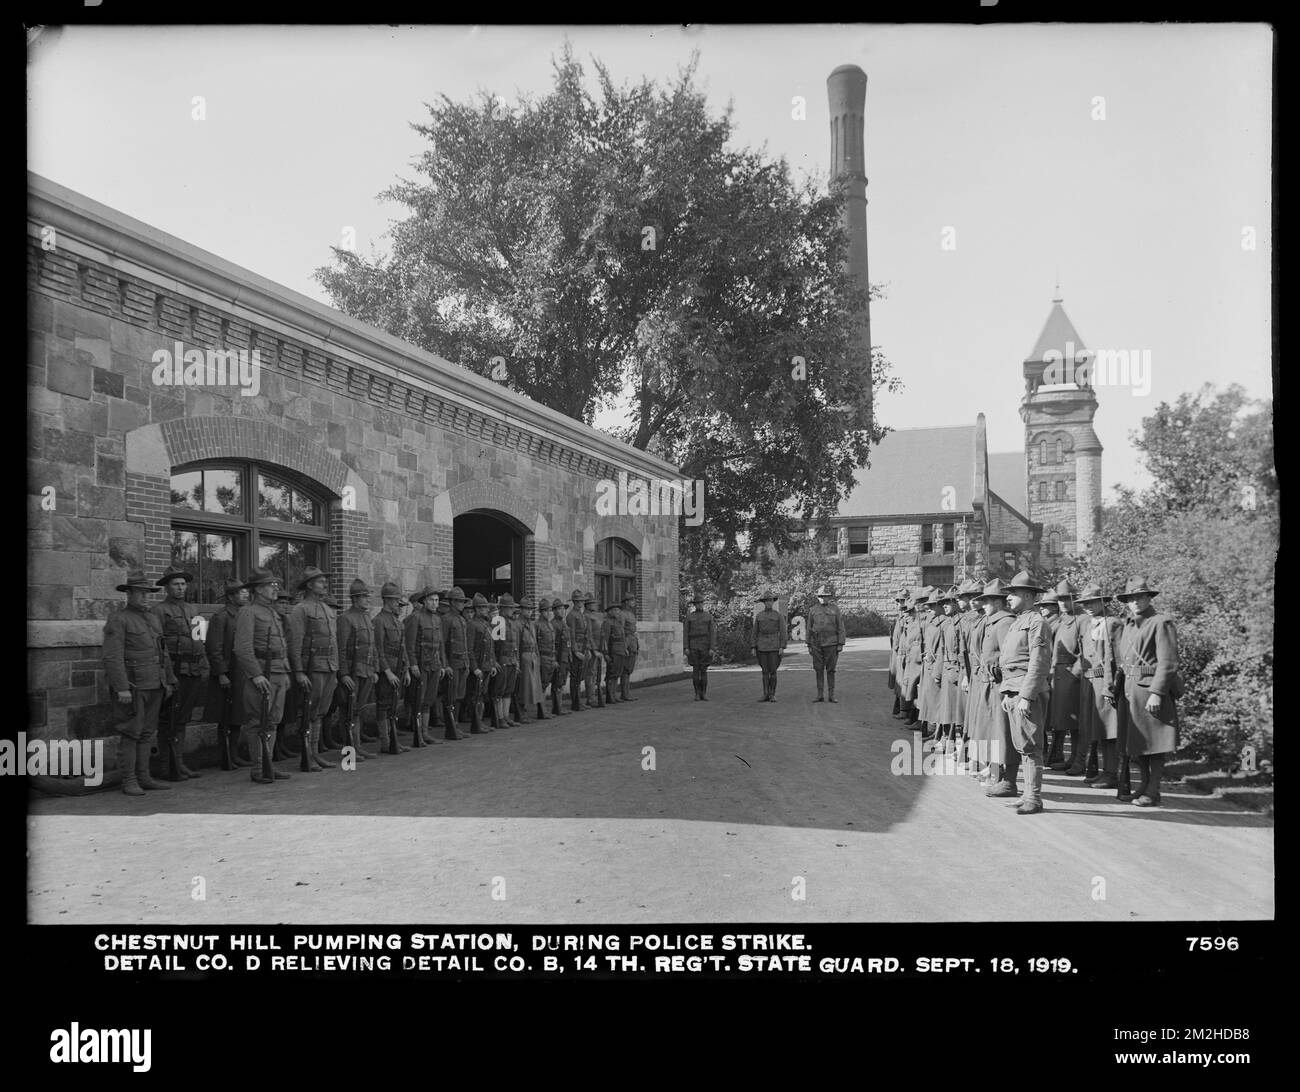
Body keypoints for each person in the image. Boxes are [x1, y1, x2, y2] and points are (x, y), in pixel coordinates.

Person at [102, 570, 176, 796]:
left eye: (147, 593)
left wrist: (169, 680)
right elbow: (112, 656)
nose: (145, 597)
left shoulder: (152, 618)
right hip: (133, 687)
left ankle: (144, 777)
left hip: (155, 684)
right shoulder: (119, 619)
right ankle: (129, 779)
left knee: (146, 733)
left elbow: (162, 653)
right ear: (129, 594)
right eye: (139, 593)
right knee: (131, 732)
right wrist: (121, 687)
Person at [1115, 576, 1180, 807]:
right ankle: (1143, 787)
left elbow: (1168, 662)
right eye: (1131, 598)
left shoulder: (1161, 622)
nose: (1135, 602)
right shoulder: (1129, 624)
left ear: (1148, 598)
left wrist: (1157, 692)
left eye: (1140, 597)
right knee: (1138, 743)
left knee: (1156, 744)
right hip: (1130, 690)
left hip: (1150, 689)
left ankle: (1153, 790)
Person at [997, 571, 1052, 814]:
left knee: (1031, 747)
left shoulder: (1037, 622)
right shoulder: (1019, 621)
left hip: (1025, 691)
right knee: (1021, 746)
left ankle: (1034, 799)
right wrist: (1007, 693)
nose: (1008, 598)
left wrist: (1026, 696)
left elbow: (1038, 662)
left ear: (1028, 596)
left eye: (1014, 593)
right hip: (1012, 689)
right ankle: (1027, 794)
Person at [231, 568, 291, 785]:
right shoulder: (249, 612)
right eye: (270, 585)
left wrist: (286, 672)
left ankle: (268, 764)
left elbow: (281, 645)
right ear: (257, 589)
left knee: (273, 721)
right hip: (262, 674)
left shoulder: (272, 612)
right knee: (258, 721)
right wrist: (255, 675)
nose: (275, 588)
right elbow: (242, 648)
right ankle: (258, 768)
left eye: (275, 584)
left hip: (277, 673)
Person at [152, 568, 208, 781]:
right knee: (169, 720)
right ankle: (166, 767)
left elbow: (200, 640)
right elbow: (158, 646)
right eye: (176, 584)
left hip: (193, 670)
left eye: (183, 584)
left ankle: (179, 763)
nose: (180, 588)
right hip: (174, 670)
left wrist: (204, 666)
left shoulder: (194, 609)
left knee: (183, 719)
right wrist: (166, 676)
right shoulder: (159, 611)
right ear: (167, 587)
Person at [287, 566, 339, 771]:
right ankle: (307, 756)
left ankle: (315, 754)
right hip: (312, 667)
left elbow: (334, 641)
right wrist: (298, 672)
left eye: (325, 581)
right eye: (320, 581)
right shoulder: (301, 609)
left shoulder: (327, 609)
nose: (325, 584)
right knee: (309, 712)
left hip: (329, 667)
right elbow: (296, 643)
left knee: (320, 712)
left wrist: (337, 668)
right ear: (309, 585)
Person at [1076, 583, 1123, 791]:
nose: (1088, 606)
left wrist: (1109, 687)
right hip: (1089, 682)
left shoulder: (1112, 623)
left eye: (1093, 602)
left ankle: (1111, 773)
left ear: (1103, 602)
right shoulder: (1089, 624)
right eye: (1085, 603)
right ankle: (1098, 770)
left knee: (1108, 730)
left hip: (1105, 682)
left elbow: (1116, 659)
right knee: (1093, 729)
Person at [971, 580, 1016, 791]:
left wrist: (1002, 679)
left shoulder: (1004, 622)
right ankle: (993, 769)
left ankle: (1002, 776)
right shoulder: (991, 621)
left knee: (999, 732)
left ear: (998, 602)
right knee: (988, 730)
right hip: (988, 682)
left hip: (999, 683)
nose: (984, 605)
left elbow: (1008, 656)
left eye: (988, 601)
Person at [204, 578, 250, 770]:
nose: (246, 595)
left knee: (237, 716)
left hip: (241, 673)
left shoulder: (244, 615)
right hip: (228, 674)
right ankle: (226, 757)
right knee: (225, 717)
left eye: (246, 592)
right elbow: (214, 648)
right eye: (241, 592)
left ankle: (235, 754)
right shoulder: (221, 617)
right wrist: (222, 673)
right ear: (231, 597)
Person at [336, 578, 377, 760]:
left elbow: (372, 646)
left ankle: (357, 747)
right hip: (352, 672)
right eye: (364, 597)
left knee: (358, 710)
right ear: (355, 599)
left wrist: (374, 669)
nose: (368, 600)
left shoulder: (366, 617)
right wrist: (343, 674)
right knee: (349, 711)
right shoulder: (346, 618)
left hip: (366, 670)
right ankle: (349, 753)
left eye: (368, 597)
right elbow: (342, 648)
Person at [1048, 581, 1087, 775]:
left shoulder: (1082, 619)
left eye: (1066, 598)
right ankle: (1071, 758)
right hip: (1059, 675)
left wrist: (1076, 673)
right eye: (1060, 599)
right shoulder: (1062, 620)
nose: (1062, 603)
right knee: (1066, 721)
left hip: (1073, 677)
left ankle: (1079, 760)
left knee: (1077, 722)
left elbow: (1086, 651)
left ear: (1074, 599)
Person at [404, 586, 446, 745]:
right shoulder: (415, 618)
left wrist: (442, 664)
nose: (435, 603)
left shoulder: (437, 619)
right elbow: (409, 644)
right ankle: (418, 734)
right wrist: (413, 664)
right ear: (424, 601)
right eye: (431, 600)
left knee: (429, 699)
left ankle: (425, 732)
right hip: (421, 664)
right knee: (418, 700)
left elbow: (440, 644)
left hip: (434, 664)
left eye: (436, 600)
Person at [373, 581, 411, 753]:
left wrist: (407, 669)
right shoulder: (379, 621)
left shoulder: (399, 623)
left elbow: (403, 649)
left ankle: (393, 738)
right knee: (384, 705)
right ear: (387, 601)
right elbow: (378, 650)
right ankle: (385, 741)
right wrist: (387, 672)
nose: (398, 605)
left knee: (394, 706)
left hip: (399, 670)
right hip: (387, 670)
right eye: (396, 601)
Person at [807, 584, 847, 703]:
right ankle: (820, 695)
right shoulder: (812, 610)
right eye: (821, 596)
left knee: (831, 670)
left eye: (825, 596)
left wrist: (840, 643)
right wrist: (809, 644)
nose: (823, 598)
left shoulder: (835, 609)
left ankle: (831, 695)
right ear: (818, 597)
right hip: (816, 644)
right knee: (818, 669)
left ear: (829, 597)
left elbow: (841, 627)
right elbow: (809, 627)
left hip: (831, 644)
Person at [439, 588, 470, 739]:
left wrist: (467, 663)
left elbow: (464, 644)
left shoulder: (462, 620)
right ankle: (450, 728)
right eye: (458, 601)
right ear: (451, 602)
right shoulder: (446, 619)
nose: (461, 604)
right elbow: (442, 644)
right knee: (450, 696)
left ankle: (455, 725)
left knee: (459, 696)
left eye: (462, 601)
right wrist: (445, 665)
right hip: (452, 662)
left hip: (462, 662)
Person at [466, 592, 498, 733]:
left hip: (485, 665)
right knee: (476, 696)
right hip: (478, 666)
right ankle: (476, 724)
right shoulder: (472, 625)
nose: (486, 610)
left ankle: (480, 722)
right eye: (484, 608)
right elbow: (470, 648)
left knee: (482, 696)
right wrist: (474, 668)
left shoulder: (485, 624)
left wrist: (491, 664)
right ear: (478, 609)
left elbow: (490, 647)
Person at [750, 591, 787, 702]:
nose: (768, 603)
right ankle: (765, 694)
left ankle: (772, 694)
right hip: (762, 646)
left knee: (773, 671)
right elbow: (754, 632)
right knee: (764, 671)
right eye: (766, 601)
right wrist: (753, 646)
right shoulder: (759, 616)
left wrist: (782, 646)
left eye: (770, 601)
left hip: (774, 646)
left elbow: (783, 632)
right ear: (764, 603)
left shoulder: (778, 615)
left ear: (773, 602)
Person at [518, 596, 548, 721]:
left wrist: (538, 658)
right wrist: (518, 662)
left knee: (535, 686)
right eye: (526, 609)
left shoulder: (531, 624)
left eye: (530, 609)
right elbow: (517, 645)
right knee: (523, 687)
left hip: (533, 657)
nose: (529, 611)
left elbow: (535, 643)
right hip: (524, 656)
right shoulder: (518, 624)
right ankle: (521, 712)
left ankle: (537, 710)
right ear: (521, 610)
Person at [685, 593, 717, 700]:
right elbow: (686, 633)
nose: (699, 605)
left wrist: (712, 648)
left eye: (701, 603)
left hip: (705, 646)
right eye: (697, 604)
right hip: (693, 645)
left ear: (703, 604)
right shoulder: (690, 617)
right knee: (695, 670)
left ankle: (704, 693)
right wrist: (686, 647)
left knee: (703, 670)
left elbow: (712, 633)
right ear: (695, 605)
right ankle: (697, 693)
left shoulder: (708, 616)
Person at [566, 590, 591, 712]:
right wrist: (575, 651)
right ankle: (575, 703)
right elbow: (571, 634)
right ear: (575, 601)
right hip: (576, 649)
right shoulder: (571, 615)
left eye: (582, 601)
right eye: (579, 600)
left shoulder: (581, 615)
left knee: (580, 676)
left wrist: (586, 649)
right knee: (575, 676)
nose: (581, 602)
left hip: (583, 647)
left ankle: (579, 701)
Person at [600, 600, 627, 705]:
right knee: (612, 673)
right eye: (615, 610)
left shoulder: (618, 622)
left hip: (620, 650)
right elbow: (605, 639)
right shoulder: (607, 623)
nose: (617, 612)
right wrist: (605, 653)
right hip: (613, 651)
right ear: (609, 612)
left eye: (618, 610)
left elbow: (622, 637)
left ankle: (614, 694)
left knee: (617, 673)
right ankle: (610, 696)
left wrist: (624, 648)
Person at [888, 590, 909, 718]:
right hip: (896, 653)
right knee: (897, 682)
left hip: (903, 653)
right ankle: (899, 707)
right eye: (899, 601)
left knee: (904, 683)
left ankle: (904, 710)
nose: (901, 603)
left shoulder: (908, 615)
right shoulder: (900, 615)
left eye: (903, 600)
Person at [549, 597, 571, 716]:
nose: (562, 611)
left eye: (563, 609)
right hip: (558, 657)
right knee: (557, 682)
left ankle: (560, 706)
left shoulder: (564, 624)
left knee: (561, 682)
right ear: (554, 611)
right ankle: (557, 707)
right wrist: (555, 659)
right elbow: (553, 644)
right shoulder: (554, 624)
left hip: (565, 656)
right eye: (559, 609)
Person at [583, 593, 605, 708]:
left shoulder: (593, 615)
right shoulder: (586, 616)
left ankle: (593, 696)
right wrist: (593, 650)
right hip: (592, 648)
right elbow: (589, 634)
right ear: (587, 605)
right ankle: (590, 698)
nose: (595, 605)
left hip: (597, 647)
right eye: (593, 603)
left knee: (595, 673)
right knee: (590, 674)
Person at [620, 594, 639, 701]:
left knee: (629, 669)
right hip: (627, 641)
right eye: (632, 600)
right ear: (626, 602)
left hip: (632, 641)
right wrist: (624, 647)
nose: (634, 602)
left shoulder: (631, 614)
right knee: (625, 670)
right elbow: (621, 631)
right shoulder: (622, 614)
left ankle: (627, 693)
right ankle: (625, 694)